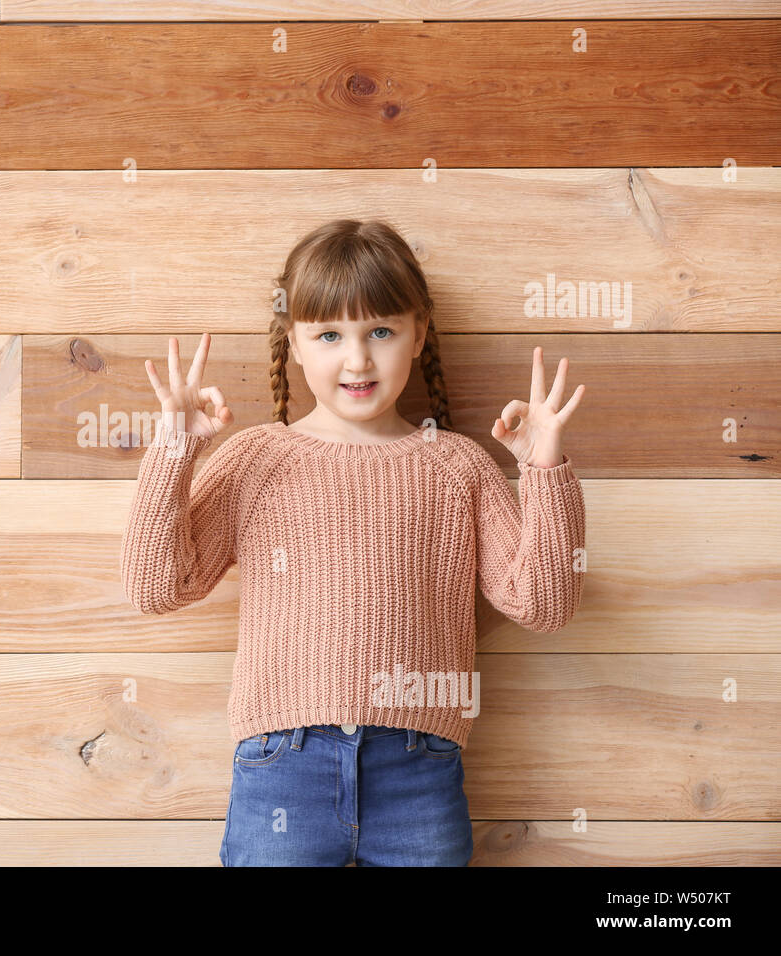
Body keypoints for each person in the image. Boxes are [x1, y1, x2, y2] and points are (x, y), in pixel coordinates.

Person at [118, 218, 587, 866]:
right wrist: (176, 448)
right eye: (331, 334)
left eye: (382, 331)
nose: (358, 358)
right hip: (282, 766)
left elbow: (546, 604)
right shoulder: (257, 458)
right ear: (296, 343)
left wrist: (542, 471)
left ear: (419, 333)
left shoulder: (457, 466)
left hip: (419, 772)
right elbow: (154, 586)